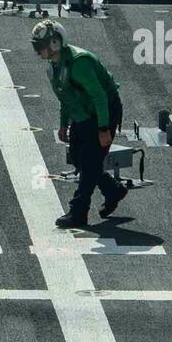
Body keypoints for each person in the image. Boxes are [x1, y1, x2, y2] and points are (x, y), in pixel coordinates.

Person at [32, 20, 127, 228]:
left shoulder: (79, 63)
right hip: (84, 113)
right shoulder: (55, 67)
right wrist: (63, 124)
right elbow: (65, 96)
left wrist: (104, 128)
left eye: (40, 46)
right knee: (77, 157)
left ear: (55, 43)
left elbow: (100, 96)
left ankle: (78, 212)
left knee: (91, 162)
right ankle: (113, 189)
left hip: (104, 111)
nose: (38, 51)